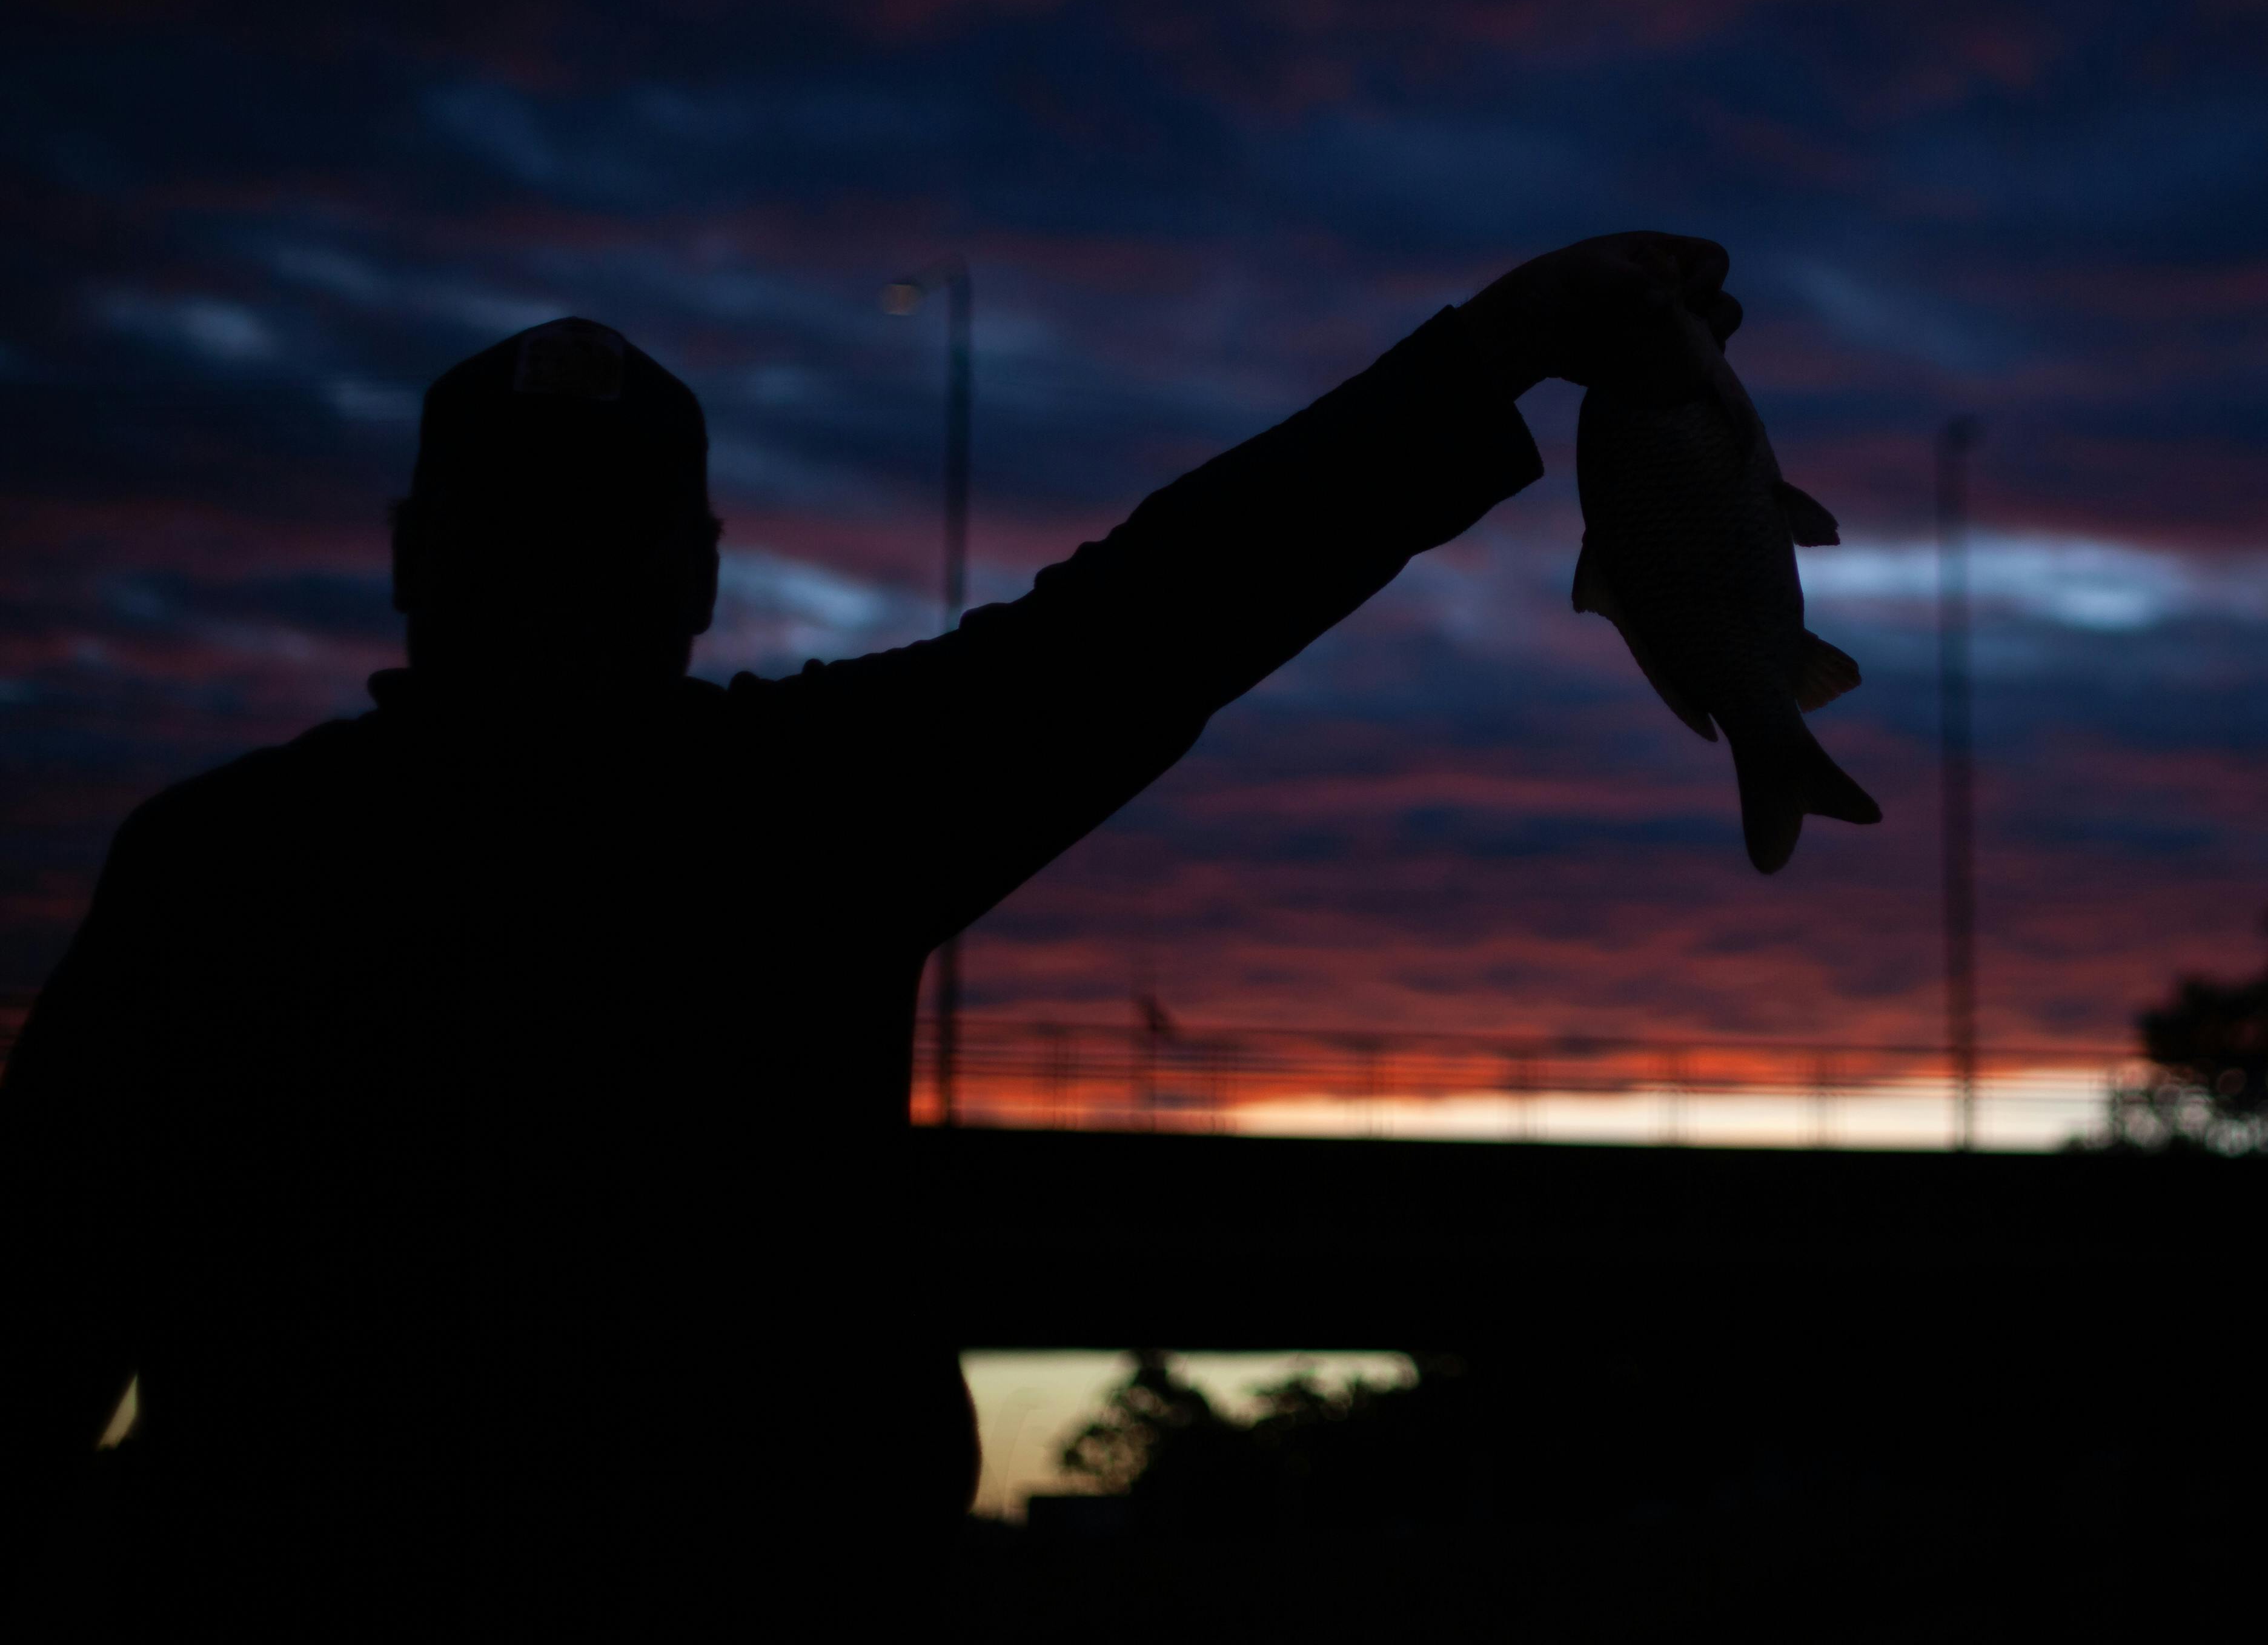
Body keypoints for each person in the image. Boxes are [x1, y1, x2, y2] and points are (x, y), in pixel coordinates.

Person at [0, 233, 1734, 1635]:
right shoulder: (809, 806)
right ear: (700, 568)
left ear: (406, 559)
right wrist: (1497, 347)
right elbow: (1169, 608)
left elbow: (38, 1331)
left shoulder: (219, 868)